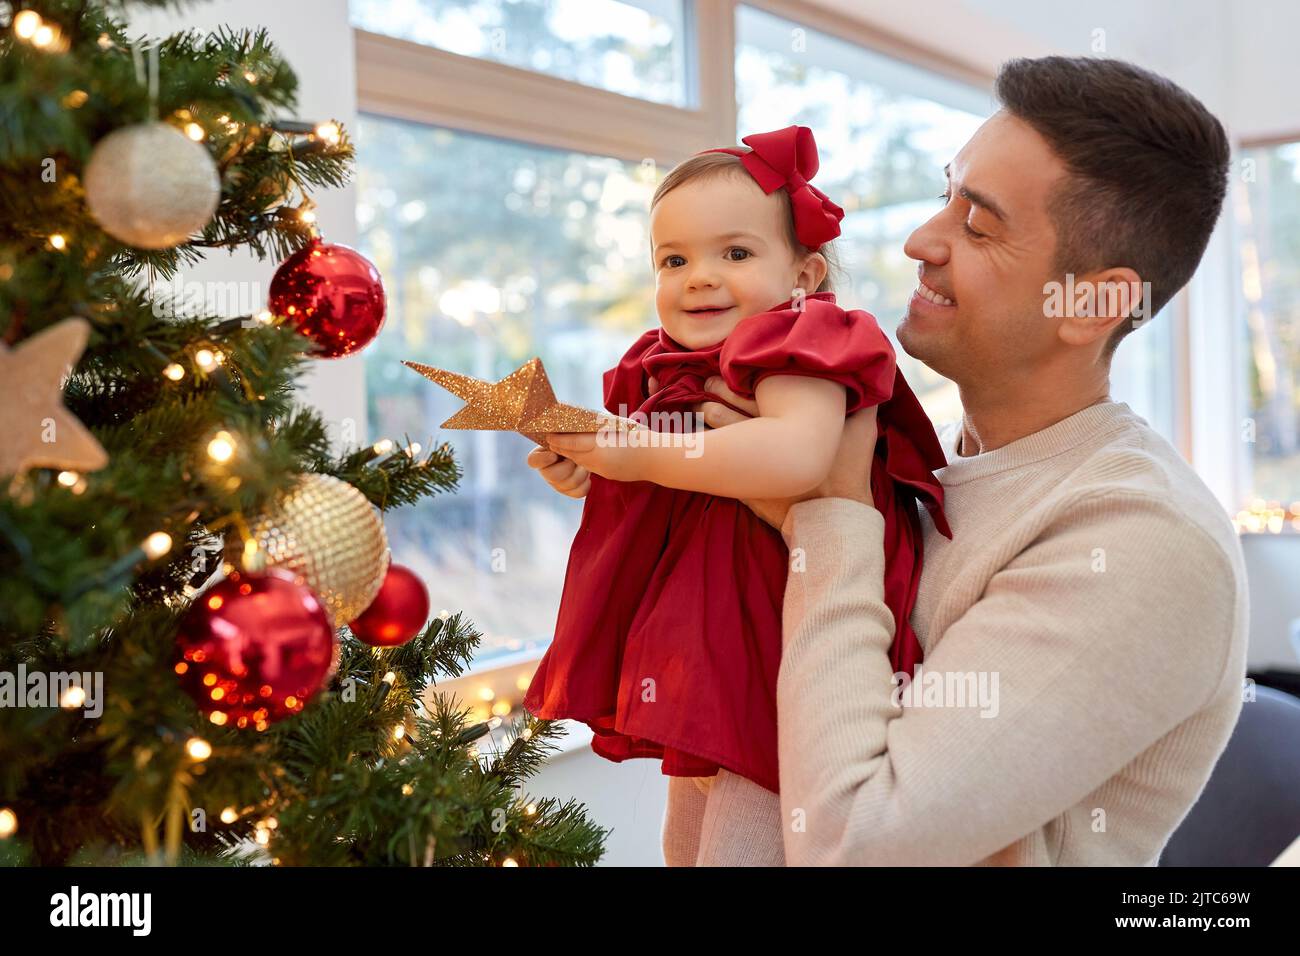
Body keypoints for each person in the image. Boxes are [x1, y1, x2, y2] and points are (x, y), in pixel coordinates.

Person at [534, 56, 1248, 866]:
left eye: (977, 225)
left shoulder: (1144, 542)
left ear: (1092, 302)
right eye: (946, 194)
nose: (919, 240)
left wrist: (827, 516)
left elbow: (857, 846)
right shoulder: (930, 470)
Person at [524, 126, 949, 799]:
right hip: (706, 639)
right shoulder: (663, 362)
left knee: (773, 811)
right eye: (673, 261)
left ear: (804, 276)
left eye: (736, 252)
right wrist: (594, 468)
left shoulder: (800, 337)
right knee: (695, 830)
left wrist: (635, 455)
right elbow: (673, 468)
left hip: (795, 632)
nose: (700, 278)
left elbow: (794, 457)